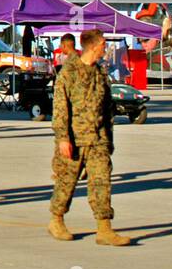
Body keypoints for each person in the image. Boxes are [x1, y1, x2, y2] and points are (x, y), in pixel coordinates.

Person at [47, 29, 131, 246]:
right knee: (67, 182)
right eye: (103, 44)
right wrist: (63, 138)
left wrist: (109, 140)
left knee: (102, 182)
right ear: (95, 45)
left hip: (98, 140)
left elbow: (107, 109)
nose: (106, 48)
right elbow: (60, 107)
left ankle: (104, 229)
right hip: (75, 139)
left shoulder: (101, 73)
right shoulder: (69, 72)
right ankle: (56, 220)